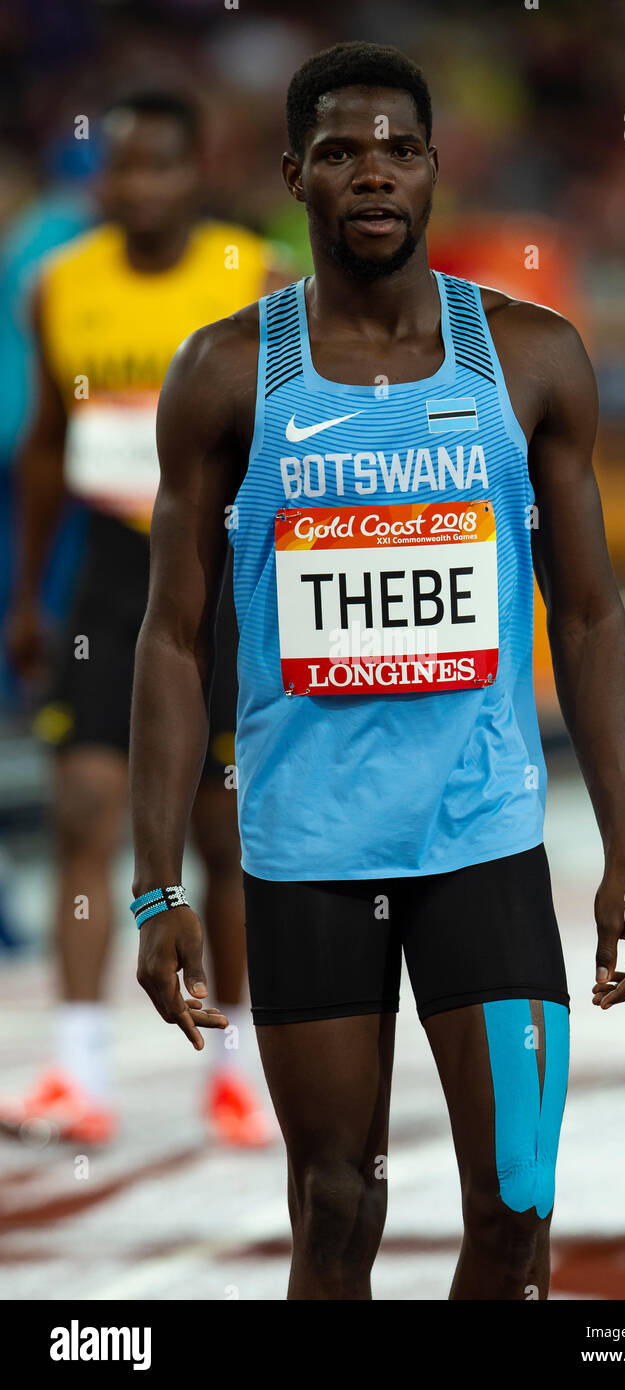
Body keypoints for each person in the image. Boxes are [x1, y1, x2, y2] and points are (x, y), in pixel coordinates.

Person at [129, 43, 625, 1299]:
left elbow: (587, 619)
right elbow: (168, 635)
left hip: (481, 839)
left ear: (434, 173)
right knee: (334, 1210)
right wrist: (156, 888)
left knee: (518, 1211)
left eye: (400, 150)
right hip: (306, 851)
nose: (373, 173)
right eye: (340, 153)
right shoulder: (223, 372)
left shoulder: (529, 360)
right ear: (291, 179)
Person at [3, 91, 291, 1147]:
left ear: (195, 170)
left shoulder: (252, 281)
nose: (137, 190)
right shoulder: (59, 287)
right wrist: (31, 597)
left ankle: (234, 1065)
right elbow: (43, 445)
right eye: (119, 171)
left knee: (221, 830)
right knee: (85, 808)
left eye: (159, 169)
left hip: (223, 578)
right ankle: (79, 1070)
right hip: (110, 578)